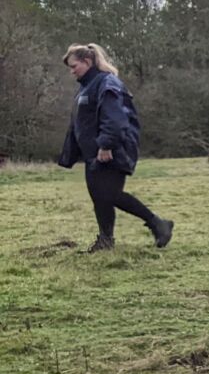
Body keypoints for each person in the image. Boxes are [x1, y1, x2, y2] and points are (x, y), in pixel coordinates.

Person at [56, 44, 172, 252]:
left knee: (110, 194)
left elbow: (115, 119)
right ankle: (105, 240)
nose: (71, 71)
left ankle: (158, 224)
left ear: (87, 62)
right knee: (99, 196)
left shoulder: (107, 83)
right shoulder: (87, 86)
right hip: (94, 153)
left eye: (74, 66)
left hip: (111, 151)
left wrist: (106, 145)